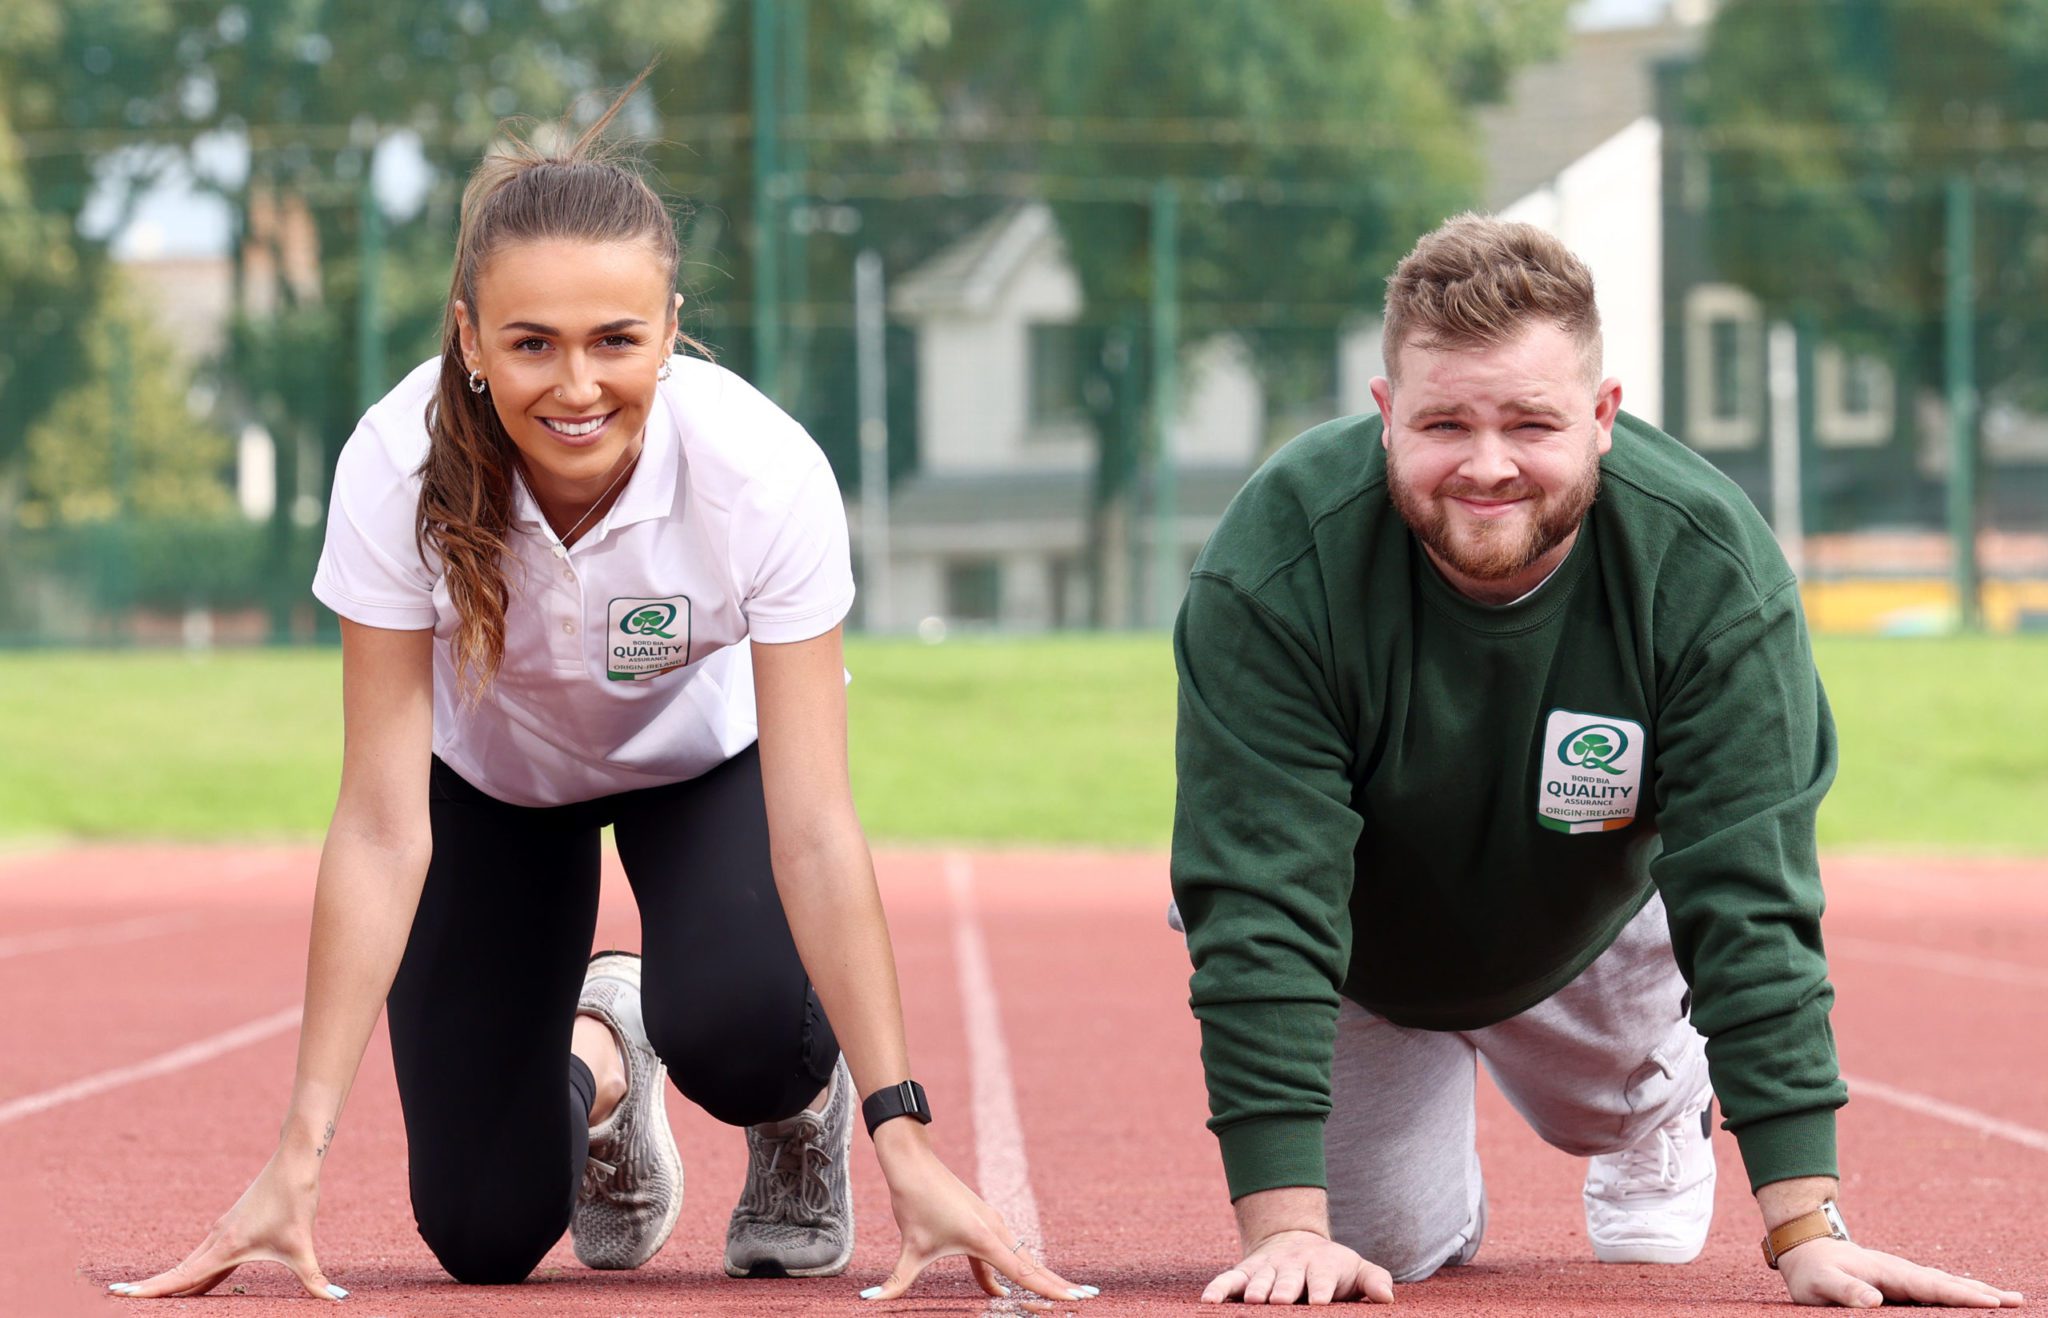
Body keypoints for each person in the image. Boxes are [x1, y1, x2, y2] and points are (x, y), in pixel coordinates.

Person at [107, 76, 1094, 1308]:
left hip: (700, 767)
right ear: (469, 338)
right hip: (492, 787)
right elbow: (377, 824)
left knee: (741, 1030)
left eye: (614, 341)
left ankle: (798, 1114)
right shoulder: (393, 466)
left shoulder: (762, 472)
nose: (575, 386)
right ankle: (608, 1053)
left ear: (669, 331)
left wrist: (904, 1138)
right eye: (531, 343)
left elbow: (815, 828)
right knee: (482, 1229)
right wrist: (295, 1157)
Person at [1169, 215, 2024, 1308]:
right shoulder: (1276, 565)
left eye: (1531, 422)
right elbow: (1260, 895)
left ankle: (1662, 1105)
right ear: (1385, 416)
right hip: (1360, 944)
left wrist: (1805, 1225)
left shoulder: (1707, 570)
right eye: (1443, 423)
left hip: (1587, 904)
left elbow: (1749, 889)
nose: (1487, 465)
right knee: (1372, 1249)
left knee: (1617, 1085)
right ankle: (1425, 1157)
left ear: (1602, 417)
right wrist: (1287, 1226)